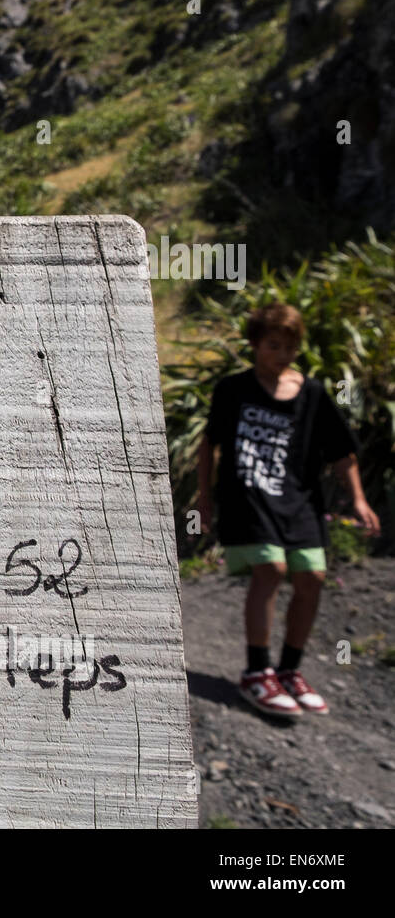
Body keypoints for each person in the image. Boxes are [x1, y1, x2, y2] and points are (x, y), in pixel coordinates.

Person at [197, 302, 381, 718]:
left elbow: (342, 451)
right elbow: (209, 444)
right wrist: (205, 499)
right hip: (248, 495)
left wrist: (358, 498)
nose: (282, 354)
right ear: (254, 344)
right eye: (274, 345)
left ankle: (290, 671)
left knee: (312, 576)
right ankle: (257, 671)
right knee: (271, 569)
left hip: (299, 500)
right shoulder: (234, 390)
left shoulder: (313, 394)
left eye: (290, 346)